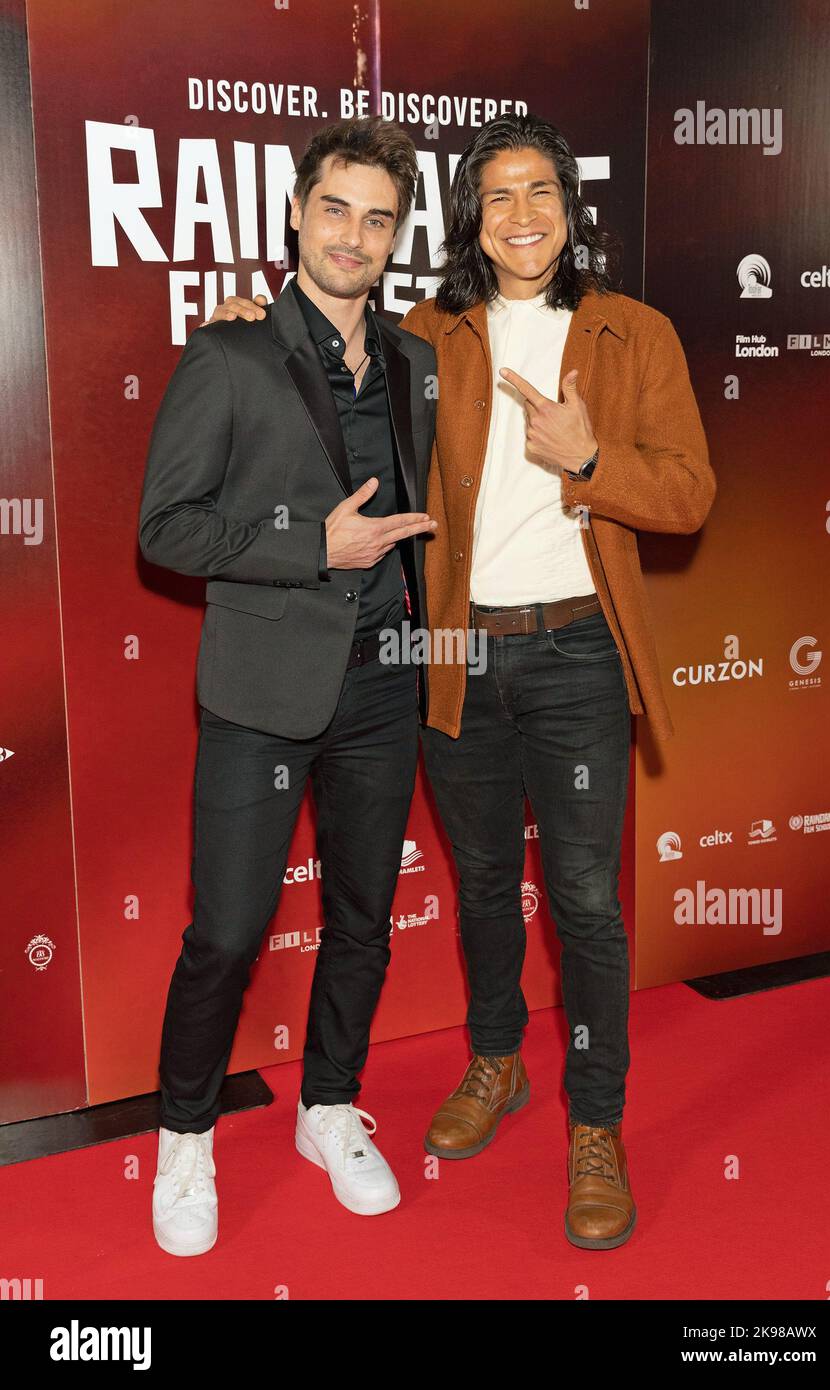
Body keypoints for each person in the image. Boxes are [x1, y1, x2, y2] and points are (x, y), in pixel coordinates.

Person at [212, 111, 717, 1249]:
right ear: (470, 220)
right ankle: (497, 1060)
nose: (522, 213)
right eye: (498, 196)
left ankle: (597, 1120)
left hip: (577, 646)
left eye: (540, 190)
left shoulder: (635, 334)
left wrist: (589, 459)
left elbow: (687, 495)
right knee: (484, 882)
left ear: (569, 208)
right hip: (450, 653)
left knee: (584, 902)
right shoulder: (427, 335)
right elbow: (317, 352)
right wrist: (248, 319)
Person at [138, 116, 437, 1256]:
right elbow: (166, 526)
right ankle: (183, 1138)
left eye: (376, 218)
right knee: (225, 929)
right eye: (335, 209)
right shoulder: (228, 354)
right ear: (297, 217)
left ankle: (326, 1107)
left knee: (363, 917)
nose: (353, 235)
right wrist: (314, 545)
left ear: (395, 236)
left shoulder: (416, 363)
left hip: (383, 687)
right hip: (260, 689)